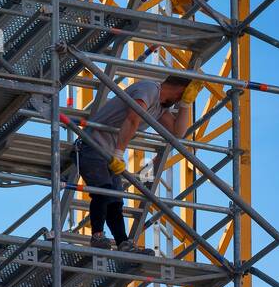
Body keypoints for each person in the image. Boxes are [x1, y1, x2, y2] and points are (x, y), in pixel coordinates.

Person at [77, 74, 199, 251]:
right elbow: (133, 117)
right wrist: (119, 153)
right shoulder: (150, 89)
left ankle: (122, 242)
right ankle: (97, 236)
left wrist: (185, 105)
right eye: (185, 95)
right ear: (181, 89)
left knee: (115, 200)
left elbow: (177, 133)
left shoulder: (159, 107)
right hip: (92, 146)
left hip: (109, 152)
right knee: (103, 191)